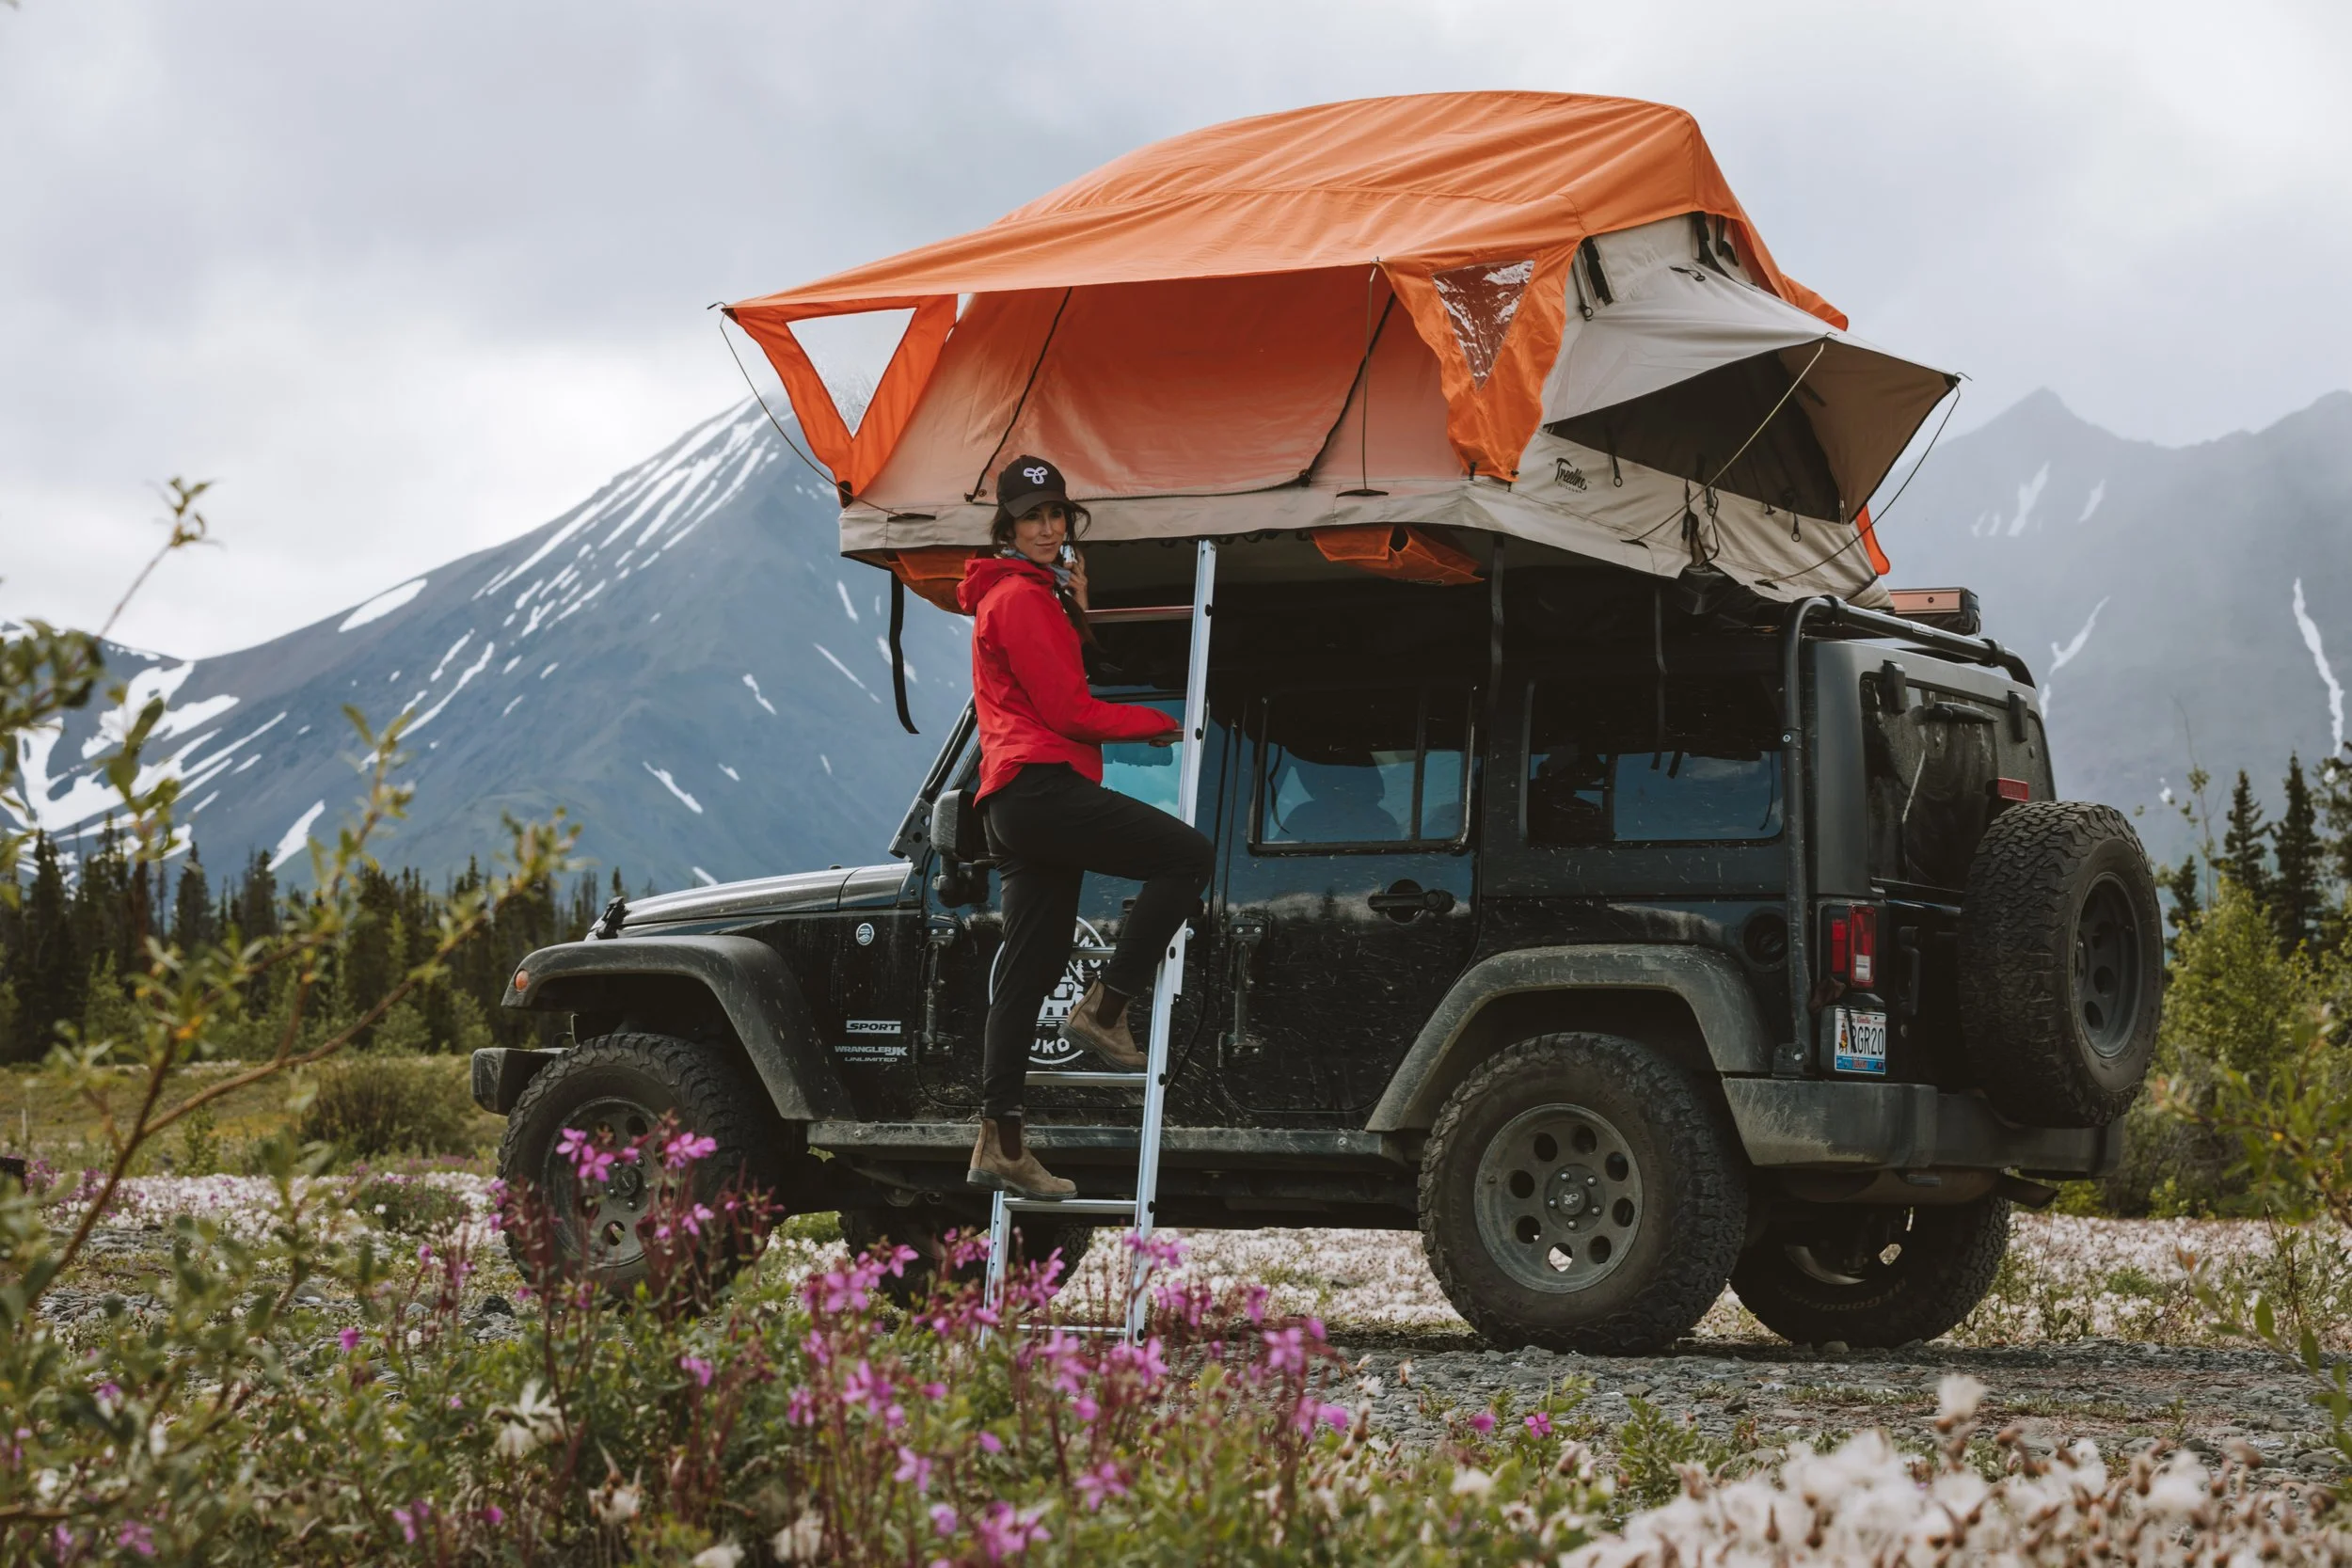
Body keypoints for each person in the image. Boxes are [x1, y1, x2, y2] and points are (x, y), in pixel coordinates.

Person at [955, 454, 1214, 1200]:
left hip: (1011, 800)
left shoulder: (1019, 597)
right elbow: (1072, 712)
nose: (1047, 526)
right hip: (1040, 788)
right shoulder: (1022, 600)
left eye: (1056, 514)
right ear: (1007, 527)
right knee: (1186, 856)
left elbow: (1059, 685)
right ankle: (1106, 1007)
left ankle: (1000, 1140)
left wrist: (1082, 612)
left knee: (1029, 968)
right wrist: (1160, 723)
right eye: (1032, 517)